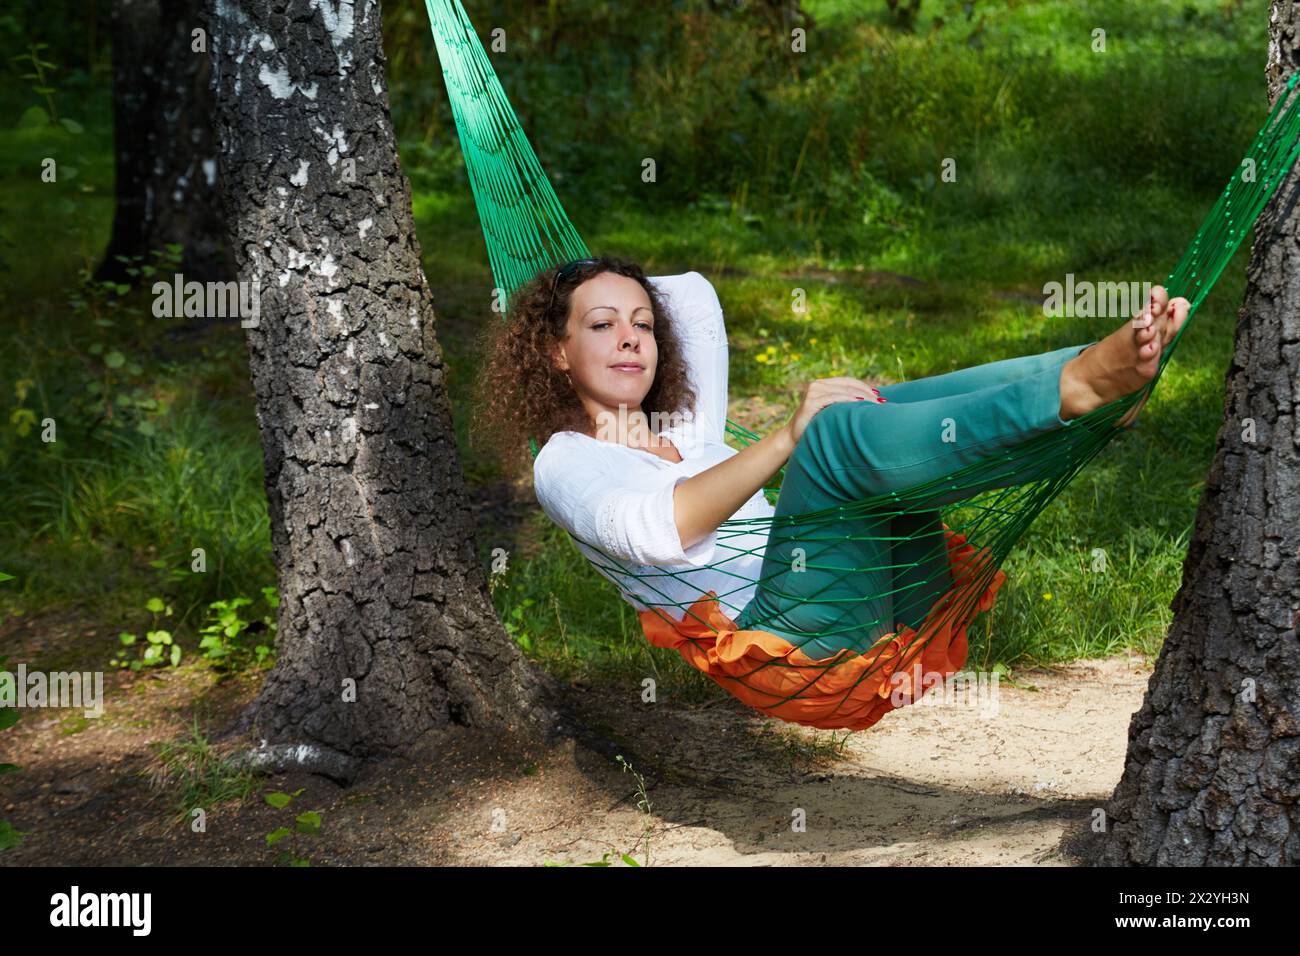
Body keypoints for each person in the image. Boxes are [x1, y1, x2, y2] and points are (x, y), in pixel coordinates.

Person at [471, 255, 1187, 660]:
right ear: (553, 352)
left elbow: (692, 298)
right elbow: (658, 531)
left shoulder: (683, 428)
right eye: (601, 326)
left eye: (643, 327)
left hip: (884, 588)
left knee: (878, 407)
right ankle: (1080, 387)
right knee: (836, 434)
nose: (631, 339)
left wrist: (613, 287)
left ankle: (1091, 383)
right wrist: (789, 437)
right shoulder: (564, 463)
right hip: (782, 640)